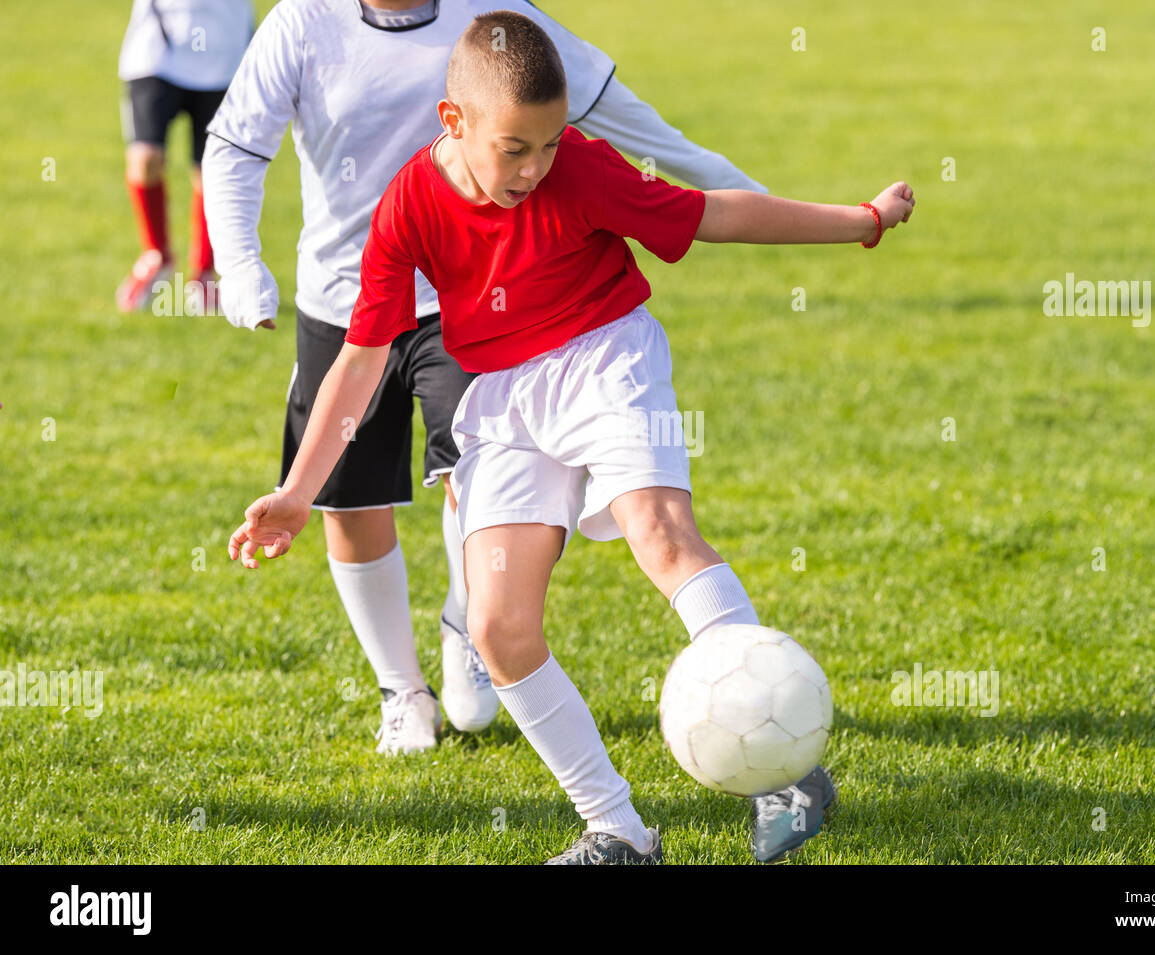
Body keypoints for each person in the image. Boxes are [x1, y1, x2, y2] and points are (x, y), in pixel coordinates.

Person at [228, 10, 915, 864]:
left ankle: (788, 772)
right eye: (515, 148)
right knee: (497, 626)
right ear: (456, 123)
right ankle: (619, 833)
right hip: (505, 397)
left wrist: (860, 219)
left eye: (550, 143)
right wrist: (297, 494)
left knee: (659, 533)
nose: (535, 167)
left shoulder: (581, 170)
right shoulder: (407, 203)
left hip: (605, 357)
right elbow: (361, 360)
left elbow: (711, 216)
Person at [203, 0, 768, 753]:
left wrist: (746, 198)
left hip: (468, 297)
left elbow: (614, 114)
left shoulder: (493, 17)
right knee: (351, 497)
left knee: (473, 473)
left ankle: (470, 622)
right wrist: (239, 263)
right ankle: (401, 689)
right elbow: (237, 145)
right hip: (343, 299)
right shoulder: (300, 23)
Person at [116, 0, 255, 314]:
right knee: (145, 158)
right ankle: (157, 255)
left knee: (211, 169)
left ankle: (204, 272)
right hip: (158, 48)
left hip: (225, 51)